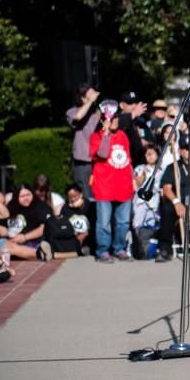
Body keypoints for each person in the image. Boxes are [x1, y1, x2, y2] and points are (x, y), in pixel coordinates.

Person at [89, 101, 135, 262]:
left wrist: (132, 179)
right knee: (104, 223)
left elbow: (128, 159)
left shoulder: (123, 135)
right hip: (104, 187)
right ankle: (103, 251)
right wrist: (106, 134)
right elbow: (101, 154)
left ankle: (120, 248)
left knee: (123, 222)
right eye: (112, 118)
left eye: (117, 117)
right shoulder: (96, 137)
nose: (115, 120)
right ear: (103, 120)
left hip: (123, 185)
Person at [0, 184, 53, 261]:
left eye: (28, 195)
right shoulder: (11, 207)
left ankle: (40, 253)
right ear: (16, 197)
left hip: (32, 240)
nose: (26, 198)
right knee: (4, 247)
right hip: (11, 241)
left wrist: (24, 237)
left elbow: (44, 228)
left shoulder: (41, 207)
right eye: (22, 196)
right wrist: (7, 236)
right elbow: (1, 226)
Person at [65, 83, 101, 199]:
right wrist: (90, 102)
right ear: (83, 97)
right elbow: (78, 118)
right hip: (83, 163)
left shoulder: (99, 112)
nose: (94, 96)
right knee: (86, 197)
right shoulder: (72, 112)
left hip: (100, 161)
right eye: (90, 95)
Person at [60, 183, 96, 255]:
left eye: (75, 196)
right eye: (70, 198)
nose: (73, 199)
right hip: (73, 236)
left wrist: (84, 234)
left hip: (88, 236)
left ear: (81, 194)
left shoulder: (90, 205)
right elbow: (63, 224)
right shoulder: (65, 208)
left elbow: (94, 225)